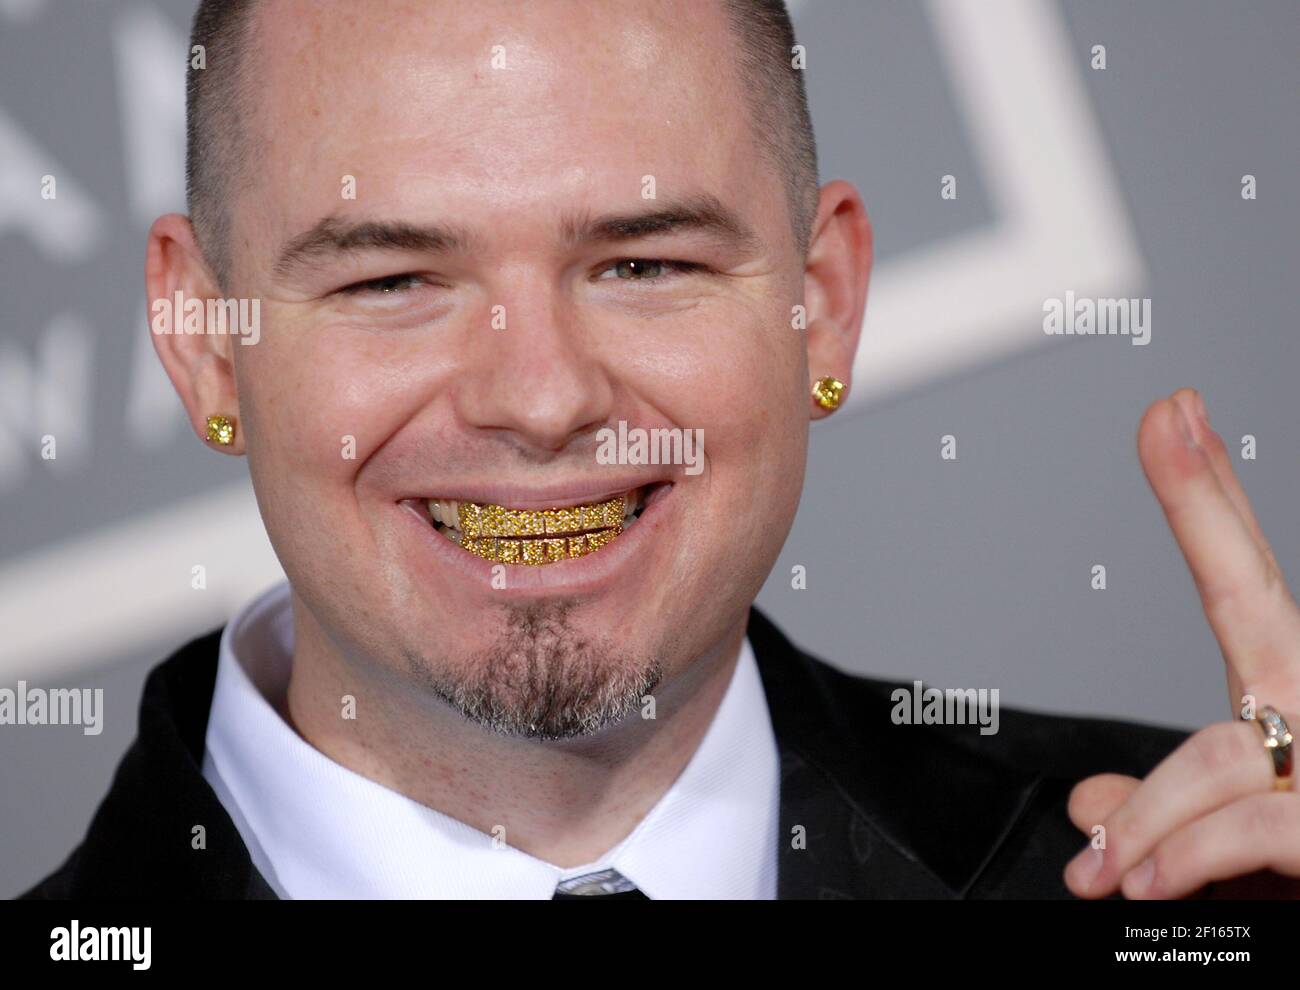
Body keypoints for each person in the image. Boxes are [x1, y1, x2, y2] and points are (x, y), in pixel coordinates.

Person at [22, 0, 1297, 900]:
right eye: (394, 280)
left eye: (642, 265)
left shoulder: (1180, 891)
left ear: (824, 302)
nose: (539, 396)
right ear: (202, 338)